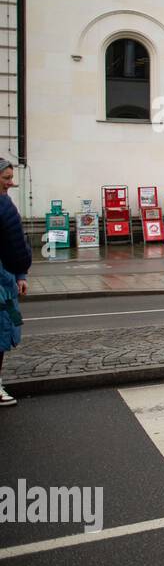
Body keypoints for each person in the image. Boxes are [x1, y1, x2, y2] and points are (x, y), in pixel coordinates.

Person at [0, 156, 33, 407]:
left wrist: (20, 275)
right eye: (6, 178)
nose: (11, 183)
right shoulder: (4, 205)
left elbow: (15, 243)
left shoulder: (5, 202)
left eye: (11, 177)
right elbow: (17, 246)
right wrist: (20, 269)